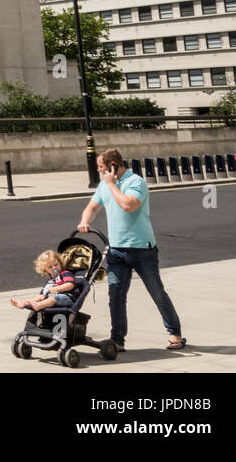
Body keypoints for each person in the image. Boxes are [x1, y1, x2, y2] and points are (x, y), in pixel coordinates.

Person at [79, 148, 186, 351]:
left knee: (157, 293)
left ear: (113, 166)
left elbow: (128, 205)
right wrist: (84, 221)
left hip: (141, 249)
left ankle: (175, 334)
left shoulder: (136, 182)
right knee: (116, 296)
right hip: (116, 251)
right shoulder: (104, 185)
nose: (99, 171)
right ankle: (117, 340)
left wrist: (111, 185)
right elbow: (92, 207)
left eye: (101, 167)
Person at [10, 250, 77, 312]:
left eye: (56, 264)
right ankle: (23, 304)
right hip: (52, 297)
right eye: (50, 267)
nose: (54, 268)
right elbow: (43, 294)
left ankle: (39, 305)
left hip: (66, 298)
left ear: (60, 263)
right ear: (45, 270)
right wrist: (41, 297)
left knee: (53, 298)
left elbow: (70, 285)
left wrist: (57, 288)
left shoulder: (65, 273)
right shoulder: (50, 280)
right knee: (39, 297)